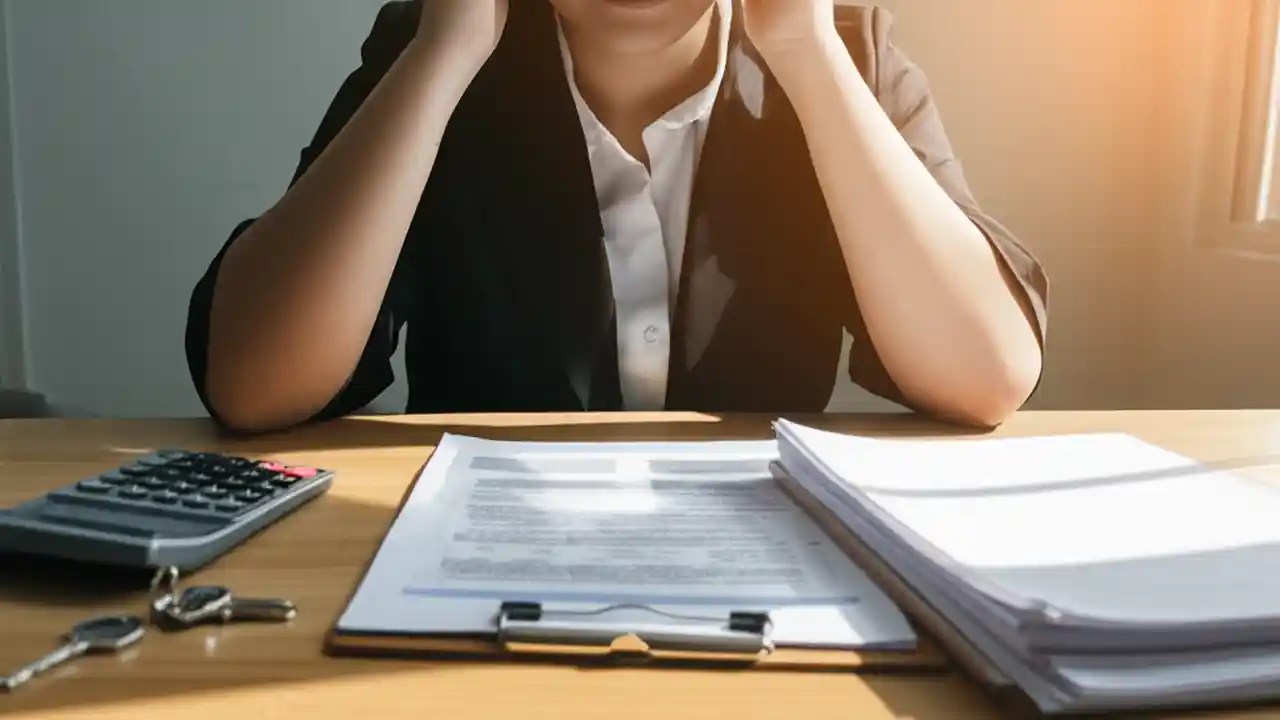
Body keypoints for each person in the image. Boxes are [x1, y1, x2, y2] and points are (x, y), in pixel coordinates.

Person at [186, 0, 1048, 433]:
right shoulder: (444, 40)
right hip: (485, 588)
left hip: (770, 593)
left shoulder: (839, 43)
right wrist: (441, 59)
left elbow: (986, 375)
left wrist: (808, 54)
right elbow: (255, 382)